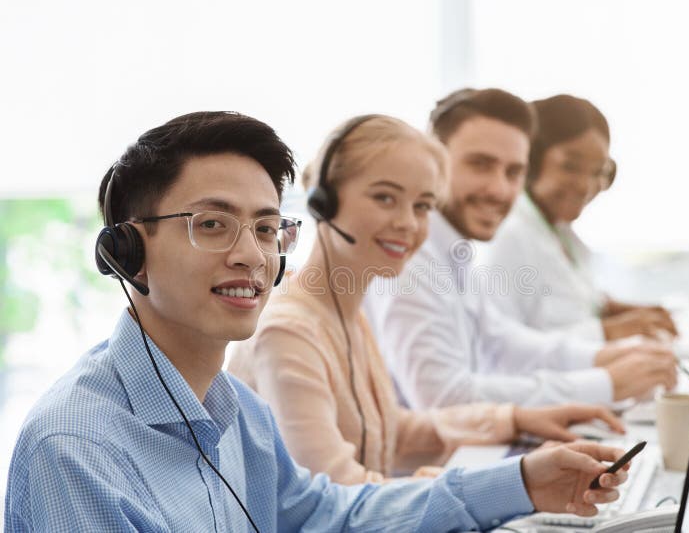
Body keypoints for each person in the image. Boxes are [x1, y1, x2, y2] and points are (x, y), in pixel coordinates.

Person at [5, 111, 629, 532]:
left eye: (267, 226)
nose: (252, 253)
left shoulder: (236, 413)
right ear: (128, 252)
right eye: (213, 223)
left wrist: (519, 483)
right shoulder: (78, 452)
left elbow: (334, 512)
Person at [228, 114, 626, 485]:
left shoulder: (344, 313)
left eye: (422, 206)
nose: (408, 223)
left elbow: (386, 430)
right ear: (323, 201)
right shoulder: (289, 332)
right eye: (385, 198)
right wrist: (512, 483)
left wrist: (515, 419)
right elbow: (336, 492)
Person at [366, 89, 678, 410]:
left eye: (513, 172)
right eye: (480, 164)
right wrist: (606, 382)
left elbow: (502, 343)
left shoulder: (453, 252)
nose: (499, 189)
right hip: (432, 457)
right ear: (432, 162)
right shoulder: (410, 258)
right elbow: (444, 400)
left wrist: (605, 355)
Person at [484, 94, 677, 341]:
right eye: (570, 166)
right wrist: (609, 331)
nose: (586, 187)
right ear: (530, 160)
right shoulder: (509, 235)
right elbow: (505, 348)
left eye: (598, 172)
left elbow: (564, 308)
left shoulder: (559, 232)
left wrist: (613, 311)